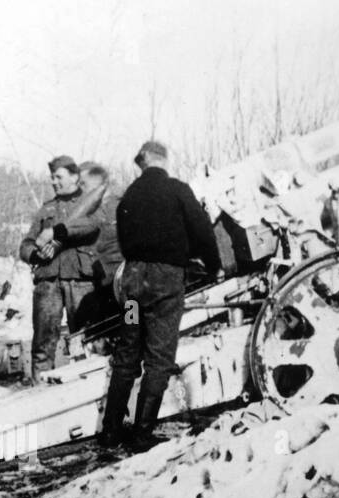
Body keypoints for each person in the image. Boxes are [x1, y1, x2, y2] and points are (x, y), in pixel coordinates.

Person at [105, 140, 214, 452]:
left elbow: (124, 240)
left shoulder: (129, 196)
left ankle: (111, 430)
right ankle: (142, 434)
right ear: (164, 160)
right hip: (165, 283)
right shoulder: (177, 190)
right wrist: (212, 264)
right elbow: (202, 229)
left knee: (127, 353)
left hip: (132, 284)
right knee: (159, 356)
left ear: (142, 163)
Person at [18, 156, 98, 381]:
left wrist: (58, 233)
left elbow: (91, 229)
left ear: (74, 177)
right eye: (52, 177)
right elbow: (26, 244)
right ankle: (41, 393)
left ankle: (86, 389)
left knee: (84, 340)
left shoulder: (90, 205)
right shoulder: (46, 209)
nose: (54, 181)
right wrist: (34, 253)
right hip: (48, 282)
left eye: (59, 176)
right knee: (43, 342)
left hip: (80, 280)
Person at [43, 161, 123, 352]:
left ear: (98, 185)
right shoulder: (97, 209)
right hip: (104, 287)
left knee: (130, 328)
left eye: (83, 185)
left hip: (125, 285)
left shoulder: (116, 206)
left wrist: (57, 232)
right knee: (101, 338)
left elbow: (89, 225)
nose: (79, 191)